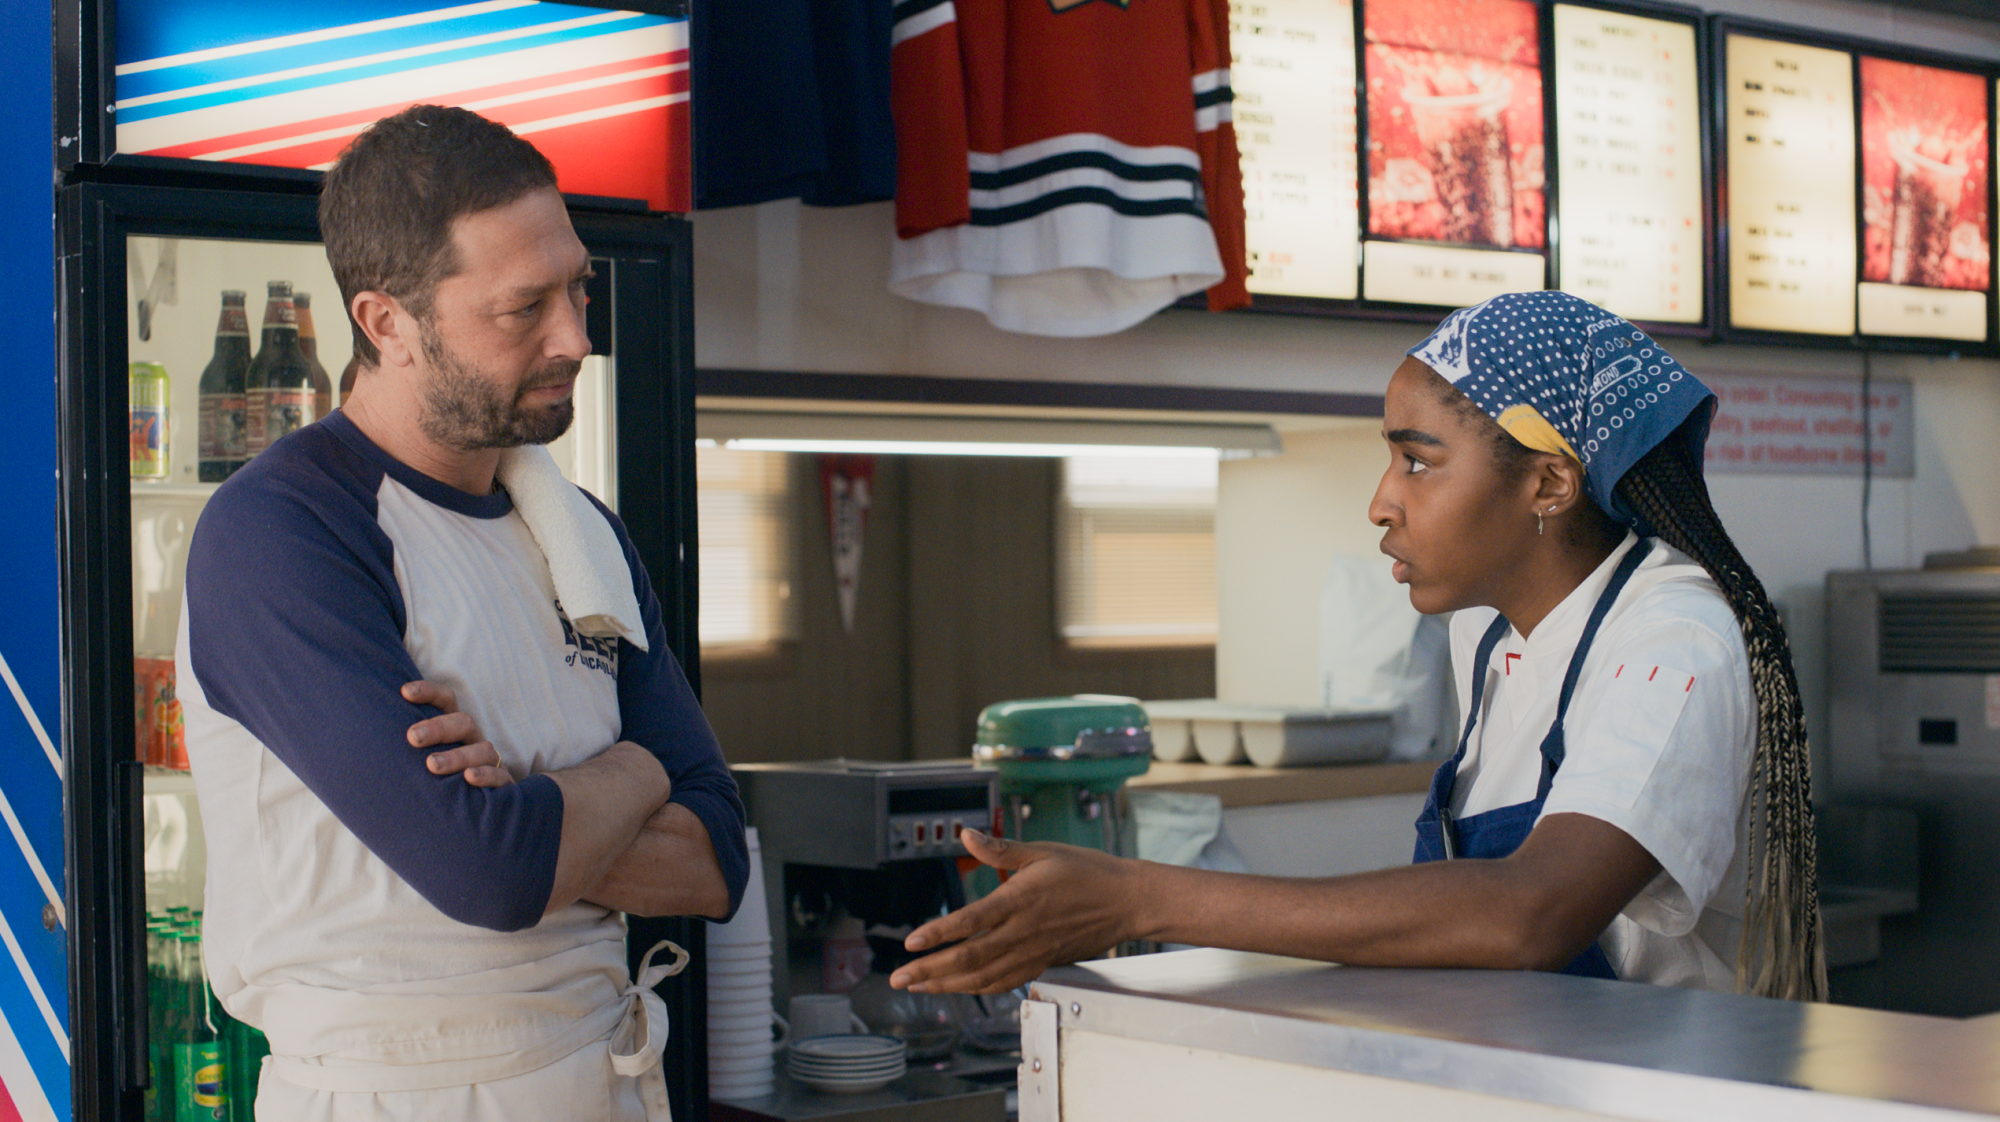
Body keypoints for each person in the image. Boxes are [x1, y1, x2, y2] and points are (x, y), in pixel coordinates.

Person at [890, 290, 1825, 1002]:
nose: (1382, 500)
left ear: (1548, 484)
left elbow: (1531, 913)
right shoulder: (1488, 634)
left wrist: (1140, 897)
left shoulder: (1675, 641)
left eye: (1417, 461)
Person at [177, 105, 748, 1119]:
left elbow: (714, 860)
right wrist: (638, 765)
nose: (576, 336)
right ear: (385, 322)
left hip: (605, 1073)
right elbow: (486, 871)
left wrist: (529, 801)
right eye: (522, 307)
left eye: (577, 286)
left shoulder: (579, 531)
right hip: (393, 1094)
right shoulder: (282, 530)